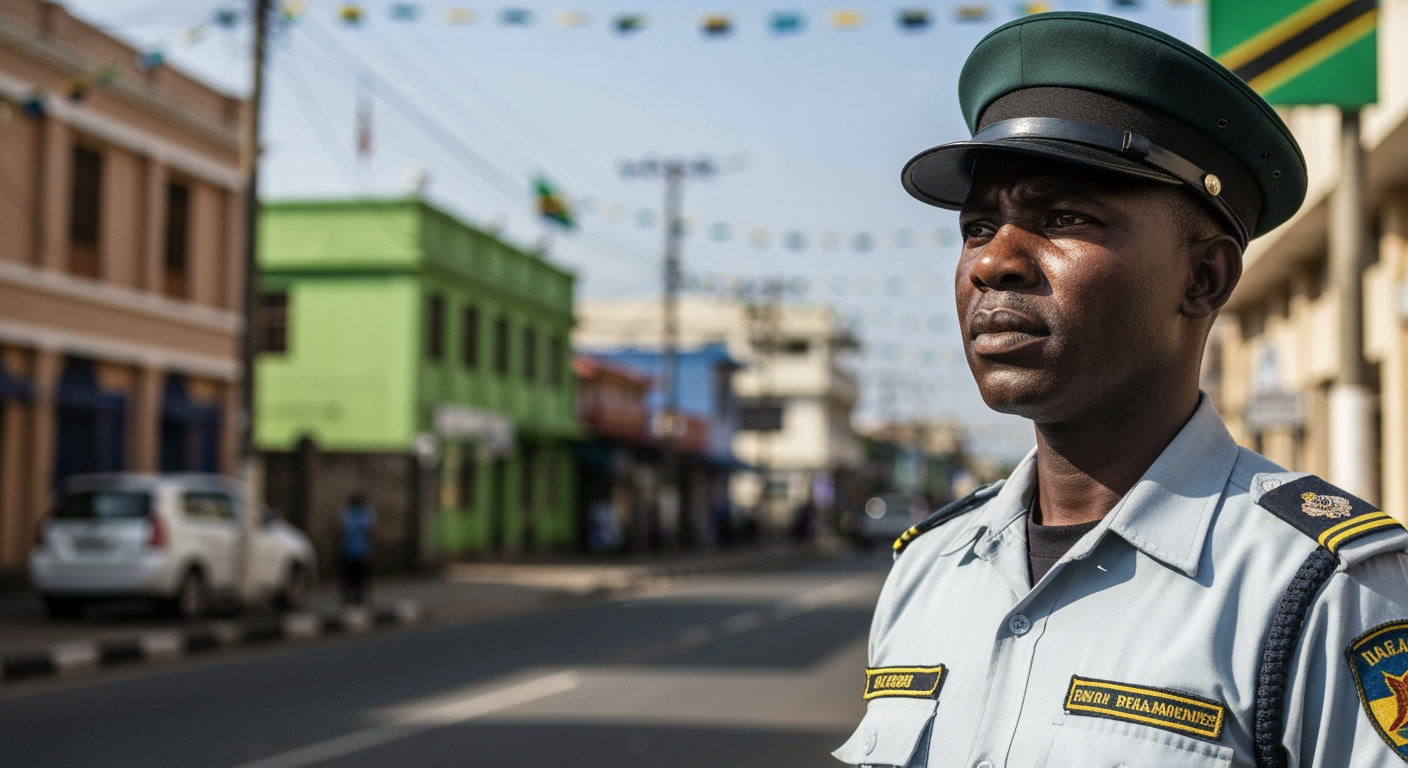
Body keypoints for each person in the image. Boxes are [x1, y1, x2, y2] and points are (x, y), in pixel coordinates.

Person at [834, 12, 1408, 768]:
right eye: (977, 228)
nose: (993, 262)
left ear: (1202, 278)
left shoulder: (1320, 590)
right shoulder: (929, 569)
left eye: (1063, 217)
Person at [337, 492, 377, 606]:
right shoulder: (367, 513)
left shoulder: (346, 513)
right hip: (362, 550)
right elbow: (371, 530)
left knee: (349, 576)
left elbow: (340, 529)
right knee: (361, 576)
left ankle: (349, 597)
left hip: (349, 550)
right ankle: (359, 597)